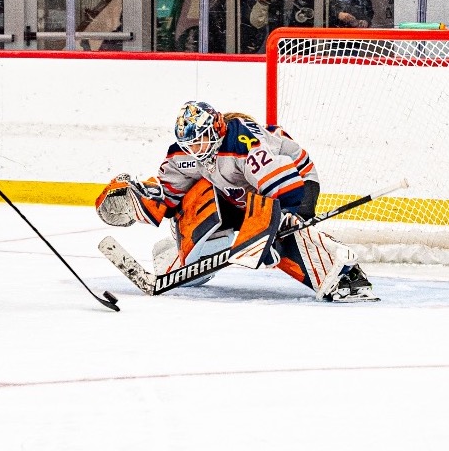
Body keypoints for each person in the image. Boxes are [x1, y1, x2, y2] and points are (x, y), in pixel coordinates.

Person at [94, 100, 375, 301]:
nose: (196, 149)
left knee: (282, 230)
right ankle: (175, 257)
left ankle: (343, 274)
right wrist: (138, 200)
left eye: (201, 140)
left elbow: (282, 184)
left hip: (294, 180)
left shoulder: (241, 142)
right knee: (197, 202)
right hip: (238, 194)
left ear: (216, 130)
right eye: (190, 144)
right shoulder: (184, 155)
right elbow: (169, 195)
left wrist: (290, 214)